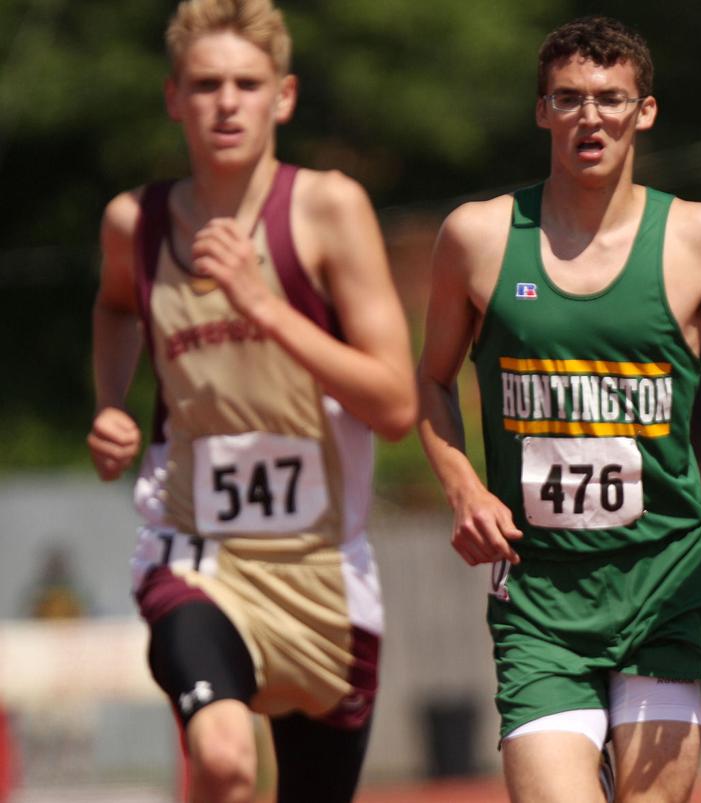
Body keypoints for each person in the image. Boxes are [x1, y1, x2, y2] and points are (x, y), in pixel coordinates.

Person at [416, 16, 701, 803]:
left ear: (646, 111)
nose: (589, 117)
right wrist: (464, 485)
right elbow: (430, 384)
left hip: (664, 587)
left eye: (610, 99)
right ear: (541, 111)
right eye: (568, 99)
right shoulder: (478, 236)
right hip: (540, 601)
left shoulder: (699, 237)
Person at [86, 2, 417, 801]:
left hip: (322, 569)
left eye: (246, 83)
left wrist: (262, 305)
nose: (226, 103)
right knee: (226, 760)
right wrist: (110, 402)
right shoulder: (138, 222)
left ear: (285, 96)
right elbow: (117, 305)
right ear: (174, 98)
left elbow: (396, 404)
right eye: (205, 85)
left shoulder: (329, 209)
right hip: (196, 550)